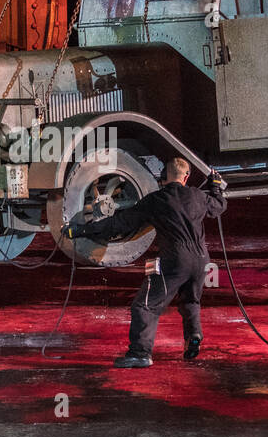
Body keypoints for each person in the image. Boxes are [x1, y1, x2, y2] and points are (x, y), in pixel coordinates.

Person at [65, 157, 227, 367]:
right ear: (186, 177)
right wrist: (215, 187)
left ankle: (140, 353)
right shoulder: (198, 195)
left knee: (146, 305)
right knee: (190, 301)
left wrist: (81, 230)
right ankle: (193, 336)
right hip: (202, 259)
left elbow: (121, 223)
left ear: (164, 177)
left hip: (176, 258)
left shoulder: (156, 200)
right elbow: (219, 206)